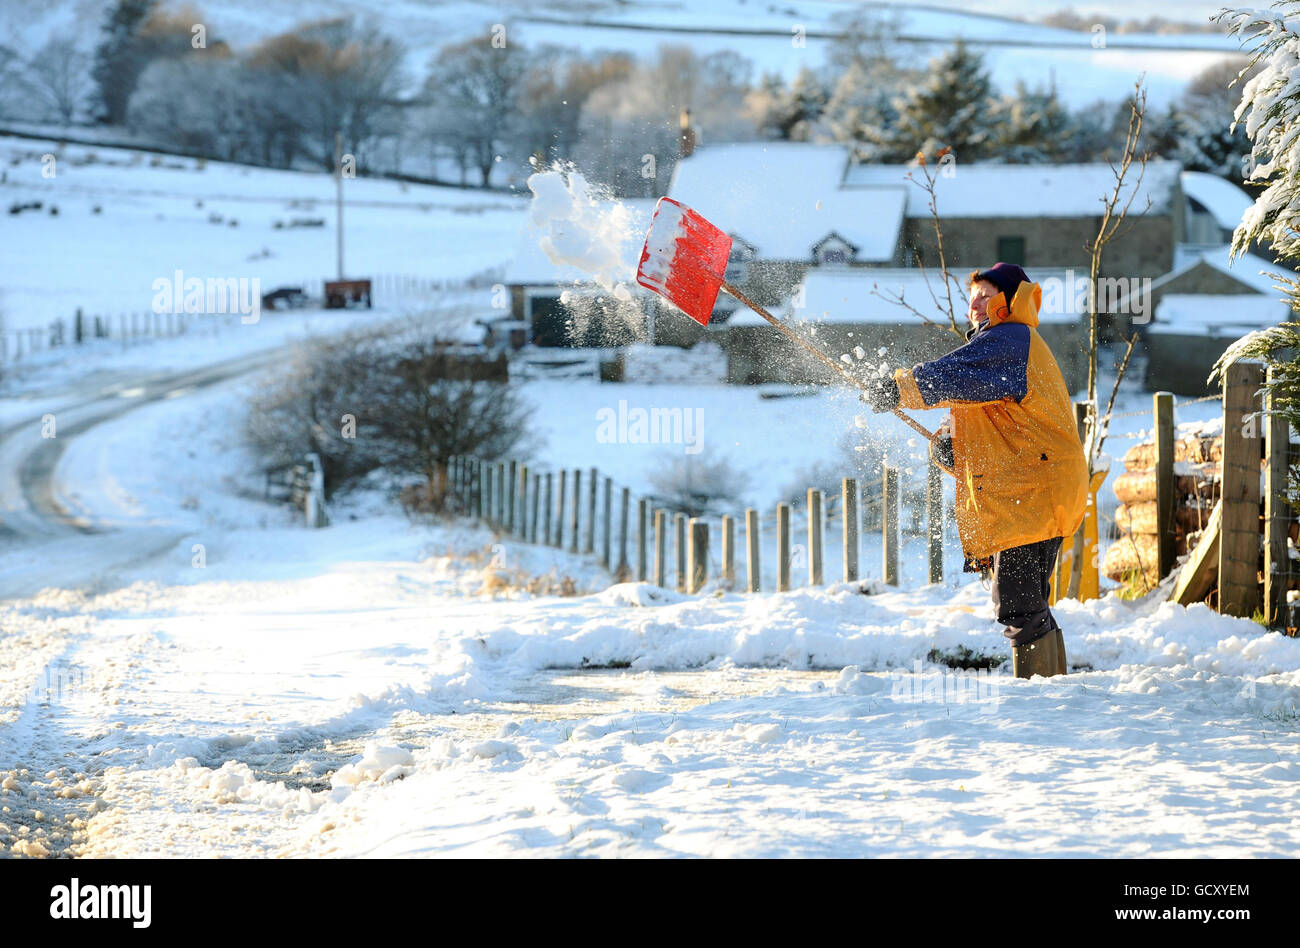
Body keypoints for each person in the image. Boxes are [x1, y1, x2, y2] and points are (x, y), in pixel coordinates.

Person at [861, 263, 1088, 679]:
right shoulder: (1006, 349)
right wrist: (951, 449)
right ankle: (1053, 692)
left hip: (1032, 496)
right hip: (1038, 490)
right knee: (1031, 603)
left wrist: (900, 388)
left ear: (1011, 300)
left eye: (986, 294)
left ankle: (1039, 698)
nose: (976, 303)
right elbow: (997, 429)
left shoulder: (1011, 339)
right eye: (973, 296)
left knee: (1019, 604)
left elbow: (955, 374)